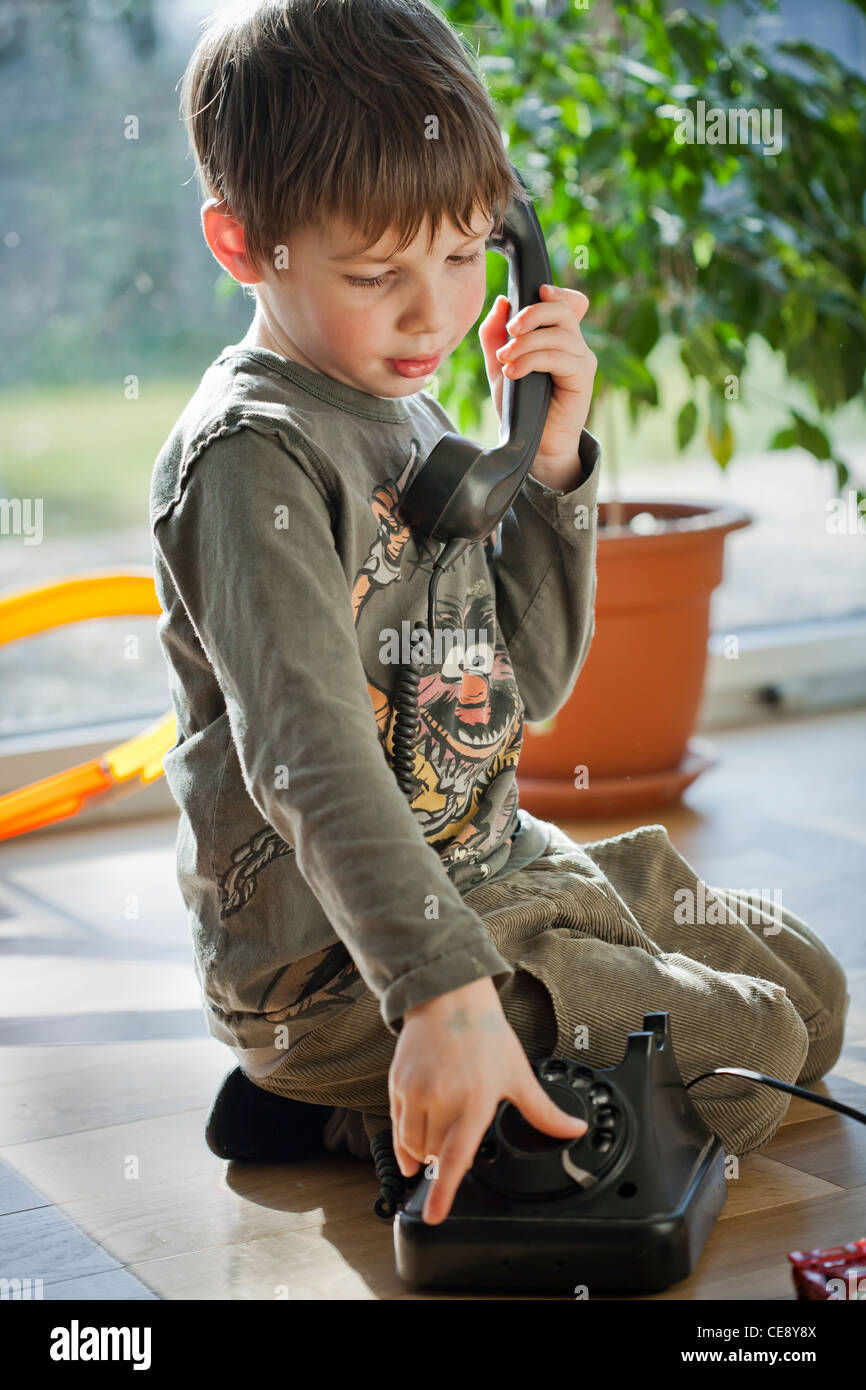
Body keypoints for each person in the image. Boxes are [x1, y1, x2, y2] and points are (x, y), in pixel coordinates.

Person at [150, 0, 849, 1227]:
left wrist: (551, 463)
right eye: (378, 274)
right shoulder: (250, 462)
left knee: (812, 991)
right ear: (243, 243)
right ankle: (335, 1089)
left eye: (469, 253)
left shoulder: (400, 399)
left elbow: (519, 681)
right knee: (753, 1053)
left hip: (493, 869)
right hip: (337, 963)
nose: (432, 315)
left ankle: (414, 1060)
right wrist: (441, 988)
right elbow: (304, 758)